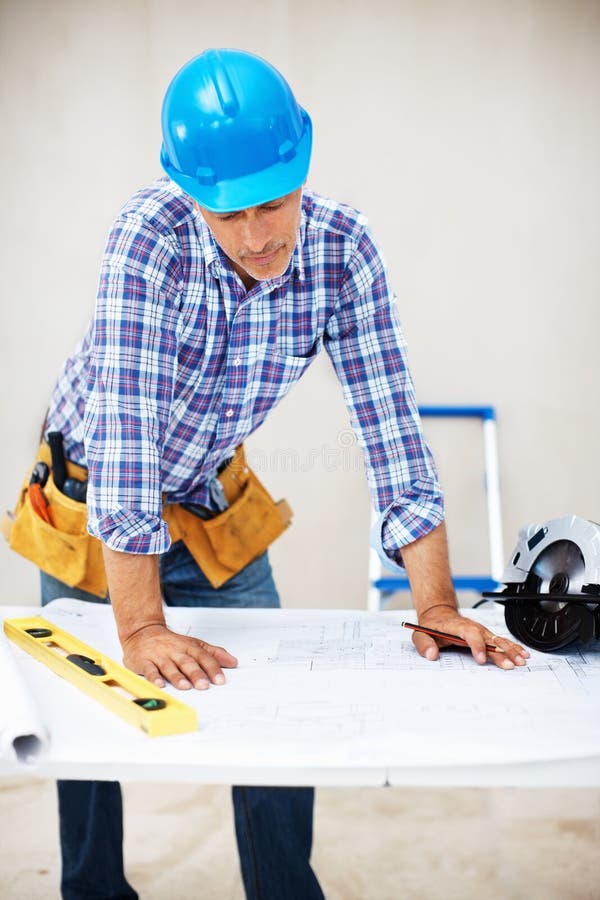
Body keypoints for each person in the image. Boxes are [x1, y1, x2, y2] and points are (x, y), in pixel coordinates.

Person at [32, 48, 529, 900]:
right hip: (92, 494)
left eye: (273, 203)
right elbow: (126, 441)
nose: (258, 236)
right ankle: (91, 891)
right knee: (90, 717)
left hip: (213, 491)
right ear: (191, 197)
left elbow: (390, 429)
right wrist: (142, 625)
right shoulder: (146, 241)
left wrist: (437, 604)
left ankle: (283, 890)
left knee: (274, 713)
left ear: (303, 168)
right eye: (229, 215)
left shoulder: (343, 250)